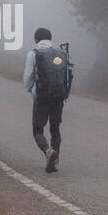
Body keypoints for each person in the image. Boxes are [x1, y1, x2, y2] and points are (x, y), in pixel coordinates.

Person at [24, 27, 73, 173]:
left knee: (38, 129)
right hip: (59, 96)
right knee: (55, 128)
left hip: (42, 96)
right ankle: (55, 161)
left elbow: (28, 78)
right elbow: (67, 75)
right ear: (50, 39)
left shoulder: (34, 53)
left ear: (36, 39)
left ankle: (48, 151)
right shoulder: (62, 53)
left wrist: (32, 91)